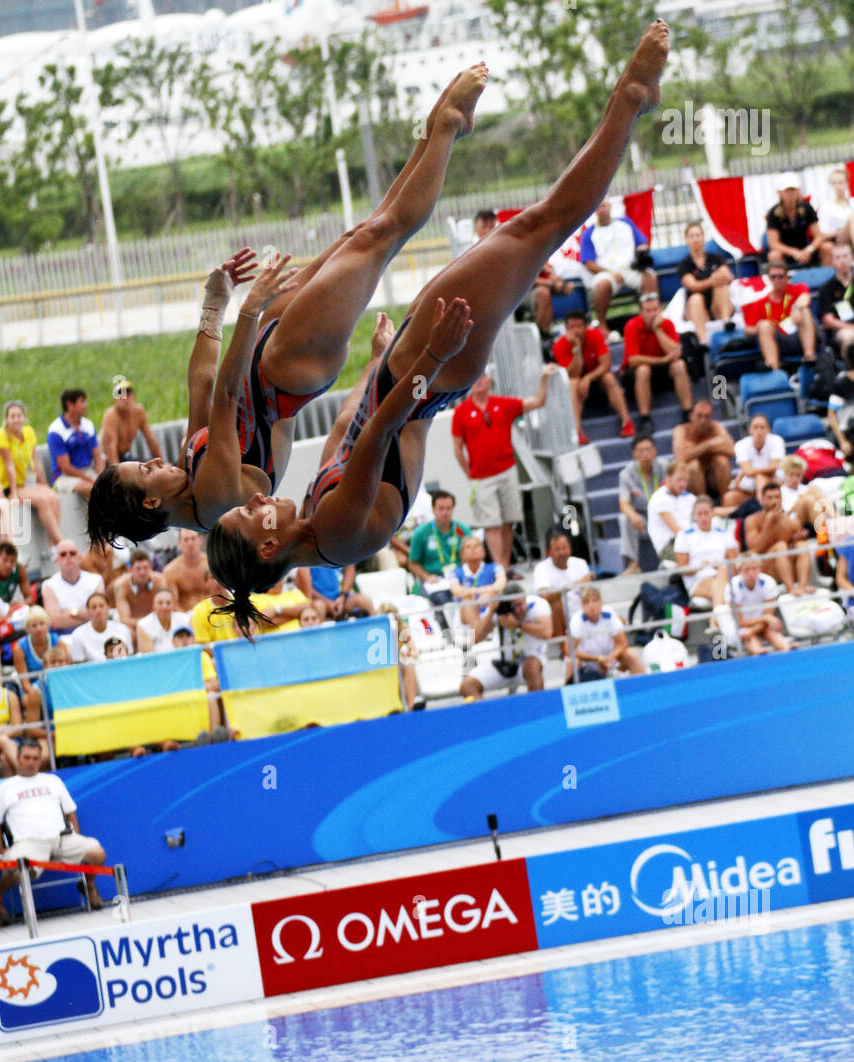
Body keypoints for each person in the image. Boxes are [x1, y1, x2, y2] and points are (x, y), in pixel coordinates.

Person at [206, 22, 672, 633]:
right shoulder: (338, 536)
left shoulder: (322, 526)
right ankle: (631, 96)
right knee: (536, 229)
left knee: (437, 233)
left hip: (412, 371)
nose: (259, 499)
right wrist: (429, 355)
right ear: (269, 549)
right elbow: (381, 430)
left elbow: (353, 426)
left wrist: (379, 361)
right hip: (430, 370)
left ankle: (457, 129)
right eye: (254, 516)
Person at [86, 70, 488, 547]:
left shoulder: (189, 475)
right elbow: (225, 397)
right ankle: (444, 126)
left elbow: (201, 382)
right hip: (286, 368)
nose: (154, 461)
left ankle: (440, 127)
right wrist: (248, 310)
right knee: (379, 239)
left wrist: (213, 304)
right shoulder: (213, 501)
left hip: (268, 350)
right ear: (150, 502)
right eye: (144, 470)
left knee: (362, 234)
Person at [0, 737, 106, 924]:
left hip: (62, 839)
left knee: (97, 853)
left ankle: (89, 886)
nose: (31, 762)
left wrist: (76, 835)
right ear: (17, 758)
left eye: (36, 758)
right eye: (27, 757)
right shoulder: (5, 788)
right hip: (29, 844)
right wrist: (1, 849)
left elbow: (71, 812)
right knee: (13, 869)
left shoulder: (53, 780)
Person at [451, 364, 556, 564]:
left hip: (506, 470)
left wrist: (543, 378)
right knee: (491, 524)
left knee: (509, 520)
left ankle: (505, 566)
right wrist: (469, 472)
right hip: (482, 475)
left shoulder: (503, 404)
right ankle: (499, 567)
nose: (478, 381)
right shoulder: (461, 412)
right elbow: (457, 448)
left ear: (489, 381)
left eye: (481, 377)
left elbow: (537, 402)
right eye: (475, 378)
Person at [579, 197, 658, 339]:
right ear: (594, 211)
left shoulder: (625, 223)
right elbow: (588, 263)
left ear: (610, 207)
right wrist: (610, 272)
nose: (602, 209)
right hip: (605, 271)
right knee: (602, 285)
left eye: (604, 205)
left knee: (650, 277)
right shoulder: (588, 234)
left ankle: (652, 320)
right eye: (598, 207)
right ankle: (602, 326)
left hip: (629, 268)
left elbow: (642, 243)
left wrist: (642, 253)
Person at [460, 581, 553, 699]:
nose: (520, 609)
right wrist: (492, 612)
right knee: (468, 685)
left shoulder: (537, 604)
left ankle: (537, 710)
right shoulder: (500, 608)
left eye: (521, 604)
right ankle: (485, 716)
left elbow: (547, 632)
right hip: (501, 663)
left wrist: (518, 625)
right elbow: (476, 638)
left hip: (528, 661)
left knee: (532, 666)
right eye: (515, 606)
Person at [552, 309, 633, 442]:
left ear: (585, 326)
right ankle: (577, 430)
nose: (576, 330)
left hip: (596, 382)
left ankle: (627, 422)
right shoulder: (559, 345)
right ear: (566, 329)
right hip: (578, 388)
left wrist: (588, 378)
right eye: (572, 327)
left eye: (579, 326)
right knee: (573, 382)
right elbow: (572, 373)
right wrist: (576, 348)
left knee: (608, 377)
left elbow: (606, 364)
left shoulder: (595, 335)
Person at [0, 400, 63, 547]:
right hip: (9, 485)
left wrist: (43, 484)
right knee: (43, 500)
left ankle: (52, 545)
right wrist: (13, 493)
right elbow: (9, 465)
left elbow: (34, 462)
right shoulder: (1, 436)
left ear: (24, 417)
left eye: (19, 416)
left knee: (53, 497)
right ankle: (60, 541)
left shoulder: (28, 432)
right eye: (12, 416)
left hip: (27, 482)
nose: (16, 419)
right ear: (7, 419)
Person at [621, 290, 693, 433]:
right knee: (643, 369)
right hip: (637, 375)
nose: (652, 314)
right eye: (648, 311)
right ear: (641, 312)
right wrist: (662, 360)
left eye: (655, 310)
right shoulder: (631, 326)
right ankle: (645, 418)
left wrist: (658, 330)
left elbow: (676, 352)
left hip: (664, 372)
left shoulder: (667, 324)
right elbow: (633, 359)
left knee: (679, 365)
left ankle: (688, 412)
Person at [738, 479, 814, 595]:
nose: (774, 501)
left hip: (787, 566)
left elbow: (797, 542)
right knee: (780, 546)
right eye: (770, 498)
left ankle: (803, 586)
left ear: (782, 499)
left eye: (777, 497)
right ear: (762, 500)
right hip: (765, 568)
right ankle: (791, 589)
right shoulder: (752, 520)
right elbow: (754, 550)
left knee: (802, 545)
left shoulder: (791, 521)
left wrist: (799, 538)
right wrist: (768, 525)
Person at [741, 260, 815, 370]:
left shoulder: (797, 289)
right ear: (769, 279)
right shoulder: (761, 303)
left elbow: (805, 298)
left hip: (801, 333)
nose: (777, 280)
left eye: (781, 276)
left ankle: (809, 356)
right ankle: (774, 370)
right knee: (764, 326)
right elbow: (748, 329)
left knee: (804, 311)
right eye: (773, 277)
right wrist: (763, 326)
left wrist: (796, 308)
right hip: (780, 340)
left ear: (786, 277)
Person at [408, 489, 476, 605]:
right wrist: (427, 577)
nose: (445, 513)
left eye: (448, 509)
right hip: (435, 579)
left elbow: (473, 556)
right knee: (442, 598)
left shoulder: (462, 531)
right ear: (433, 510)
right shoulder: (421, 533)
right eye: (441, 509)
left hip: (458, 576)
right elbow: (413, 563)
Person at [673, 495, 738, 608]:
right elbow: (682, 568)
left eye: (706, 513)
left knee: (723, 571)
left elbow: (734, 562)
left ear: (712, 513)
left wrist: (718, 566)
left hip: (722, 575)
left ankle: (715, 620)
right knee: (726, 591)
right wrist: (701, 566)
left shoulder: (723, 533)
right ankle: (718, 618)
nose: (703, 517)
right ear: (694, 515)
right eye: (700, 514)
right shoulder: (684, 535)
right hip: (698, 579)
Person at [569, 584, 644, 680]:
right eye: (587, 602)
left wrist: (609, 658)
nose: (591, 605)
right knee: (571, 662)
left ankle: (645, 688)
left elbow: (622, 643)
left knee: (630, 654)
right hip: (587, 662)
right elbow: (570, 650)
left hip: (611, 658)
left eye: (595, 600)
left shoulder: (609, 613)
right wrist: (599, 659)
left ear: (601, 602)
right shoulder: (577, 620)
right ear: (582, 606)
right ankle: (570, 692)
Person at [676, 222, 734, 344]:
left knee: (721, 287)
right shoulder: (684, 264)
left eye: (698, 235)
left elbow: (728, 276)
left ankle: (726, 323)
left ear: (703, 237)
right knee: (696, 298)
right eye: (691, 236)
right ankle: (703, 342)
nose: (695, 239)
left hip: (716, 305)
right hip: (697, 309)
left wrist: (717, 279)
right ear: (687, 240)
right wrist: (712, 280)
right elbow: (693, 286)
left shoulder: (715, 258)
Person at [721, 554, 791, 654]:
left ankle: (787, 649)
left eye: (754, 568)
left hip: (761, 624)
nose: (751, 573)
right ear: (739, 571)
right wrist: (764, 619)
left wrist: (754, 628)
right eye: (746, 569)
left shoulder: (768, 582)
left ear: (760, 569)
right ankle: (759, 653)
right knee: (748, 636)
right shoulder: (733, 587)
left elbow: (769, 616)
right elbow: (740, 621)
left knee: (770, 631)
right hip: (738, 626)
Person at [532, 526, 591, 640]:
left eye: (565, 548)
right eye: (557, 549)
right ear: (548, 552)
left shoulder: (581, 563)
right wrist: (574, 585)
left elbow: (588, 593)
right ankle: (563, 649)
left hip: (581, 615)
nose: (562, 553)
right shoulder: (541, 568)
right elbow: (545, 596)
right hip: (559, 620)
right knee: (555, 603)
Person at [618, 433, 665, 574]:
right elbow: (624, 503)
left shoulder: (665, 466)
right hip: (642, 516)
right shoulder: (626, 474)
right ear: (634, 454)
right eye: (641, 450)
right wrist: (633, 516)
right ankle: (633, 564)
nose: (645, 454)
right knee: (625, 518)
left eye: (648, 449)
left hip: (663, 513)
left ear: (655, 450)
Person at [671, 399, 735, 500]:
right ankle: (702, 504)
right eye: (699, 416)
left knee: (721, 461)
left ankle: (725, 500)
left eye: (707, 417)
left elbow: (732, 450)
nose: (703, 421)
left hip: (714, 478)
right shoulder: (681, 430)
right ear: (691, 416)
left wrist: (693, 450)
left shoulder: (717, 427)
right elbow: (680, 457)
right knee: (693, 466)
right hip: (692, 481)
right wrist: (708, 445)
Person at [766, 173, 830, 268]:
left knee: (827, 247)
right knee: (774, 255)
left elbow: (818, 236)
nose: (790, 194)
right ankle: (781, 279)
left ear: (798, 191)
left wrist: (809, 250)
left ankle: (828, 277)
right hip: (786, 253)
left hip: (806, 249)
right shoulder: (773, 213)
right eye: (787, 191)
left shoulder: (807, 208)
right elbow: (773, 243)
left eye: (793, 190)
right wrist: (793, 252)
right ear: (780, 192)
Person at [47, 389, 103, 497]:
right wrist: (90, 480)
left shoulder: (88, 425)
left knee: (110, 487)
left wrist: (100, 477)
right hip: (65, 477)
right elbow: (65, 467)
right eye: (82, 402)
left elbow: (98, 456)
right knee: (91, 489)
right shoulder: (56, 431)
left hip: (88, 472)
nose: (85, 405)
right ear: (70, 405)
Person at [721, 414, 785, 509]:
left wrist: (745, 473)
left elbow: (773, 469)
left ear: (768, 429)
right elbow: (748, 471)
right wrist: (747, 472)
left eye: (762, 427)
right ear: (750, 430)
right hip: (749, 488)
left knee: (760, 478)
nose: (759, 431)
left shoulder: (777, 440)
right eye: (755, 427)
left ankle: (763, 509)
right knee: (728, 498)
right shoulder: (740, 445)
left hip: (775, 483)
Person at [41, 540, 104, 631]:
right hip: (65, 637)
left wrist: (72, 612)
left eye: (72, 553)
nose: (68, 556)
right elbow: (55, 622)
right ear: (57, 560)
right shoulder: (48, 586)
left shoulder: (96, 580)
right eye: (63, 554)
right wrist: (88, 614)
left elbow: (101, 614)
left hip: (95, 631)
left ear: (79, 558)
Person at [12, 606, 58, 725]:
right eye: (34, 625)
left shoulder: (58, 642)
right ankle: (37, 730)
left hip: (55, 684)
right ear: (27, 628)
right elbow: (25, 682)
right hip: (33, 688)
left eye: (42, 624)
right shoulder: (19, 648)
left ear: (48, 625)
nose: (38, 629)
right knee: (29, 700)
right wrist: (38, 693)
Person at [99, 379, 161, 466]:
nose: (125, 399)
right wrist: (117, 475)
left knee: (149, 466)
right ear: (115, 399)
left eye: (128, 395)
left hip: (124, 457)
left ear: (134, 397)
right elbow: (111, 446)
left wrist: (161, 464)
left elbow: (151, 440)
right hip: (107, 460)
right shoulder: (111, 415)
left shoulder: (139, 412)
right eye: (121, 396)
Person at [449, 533, 506, 626]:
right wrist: (483, 591)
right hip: (465, 618)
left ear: (483, 552)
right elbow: (456, 591)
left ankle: (480, 631)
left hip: (489, 611)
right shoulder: (455, 572)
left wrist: (485, 593)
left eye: (476, 546)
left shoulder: (495, 567)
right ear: (462, 555)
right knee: (467, 600)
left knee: (491, 594)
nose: (473, 549)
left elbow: (500, 585)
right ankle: (477, 632)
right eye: (468, 547)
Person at [646, 460, 696, 562]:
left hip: (690, 540)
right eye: (679, 480)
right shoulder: (659, 498)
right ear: (668, 478)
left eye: (686, 480)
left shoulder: (689, 497)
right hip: (670, 546)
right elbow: (677, 532)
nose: (683, 484)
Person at [69, 591, 133, 663]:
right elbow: (79, 665)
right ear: (88, 611)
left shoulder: (122, 630)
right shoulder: (78, 634)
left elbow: (129, 658)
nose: (98, 610)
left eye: (101, 606)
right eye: (94, 607)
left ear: (108, 607)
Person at [817, 239, 854, 358]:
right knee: (849, 337)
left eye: (845, 256)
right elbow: (828, 320)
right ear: (832, 261)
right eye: (838, 257)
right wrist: (851, 327)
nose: (842, 260)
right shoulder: (826, 288)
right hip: (842, 330)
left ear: (852, 258)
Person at [161, 530, 211, 612]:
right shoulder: (171, 570)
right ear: (179, 543)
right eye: (186, 539)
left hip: (211, 614)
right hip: (184, 617)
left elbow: (221, 595)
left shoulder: (211, 565)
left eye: (193, 538)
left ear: (200, 540)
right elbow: (172, 604)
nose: (190, 543)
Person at [0, 657, 22, 777]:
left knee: (5, 759)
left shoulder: (9, 696)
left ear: (0, 677)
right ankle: (25, 774)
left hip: (5, 743)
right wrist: (2, 735)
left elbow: (18, 729)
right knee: (3, 741)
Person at [113, 549, 156, 640]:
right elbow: (124, 619)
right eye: (138, 568)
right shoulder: (121, 585)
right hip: (133, 625)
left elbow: (168, 609)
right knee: (128, 633)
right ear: (130, 569)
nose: (142, 572)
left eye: (145, 567)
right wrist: (145, 625)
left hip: (155, 622)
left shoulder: (160, 581)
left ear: (151, 566)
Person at [136, 586, 192, 653]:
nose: (164, 607)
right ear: (153, 605)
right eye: (160, 603)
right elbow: (149, 657)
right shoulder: (143, 625)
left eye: (168, 603)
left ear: (174, 605)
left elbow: (192, 647)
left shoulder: (185, 619)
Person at [308, 566, 374, 621]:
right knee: (319, 606)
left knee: (365, 601)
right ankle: (320, 636)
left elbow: (350, 569)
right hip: (317, 599)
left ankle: (374, 632)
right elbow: (307, 587)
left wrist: (342, 597)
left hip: (340, 597)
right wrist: (328, 603)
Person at [817, 168, 854, 248]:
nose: (837, 186)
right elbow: (823, 234)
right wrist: (839, 232)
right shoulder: (826, 207)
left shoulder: (852, 202)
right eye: (834, 183)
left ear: (847, 183)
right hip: (838, 239)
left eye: (840, 183)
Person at [0, 541, 30, 609]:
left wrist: (21, 604)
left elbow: (29, 598)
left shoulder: (19, 569)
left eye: (12, 561)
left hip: (7, 609)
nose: (8, 565)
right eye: (5, 560)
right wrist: (7, 606)